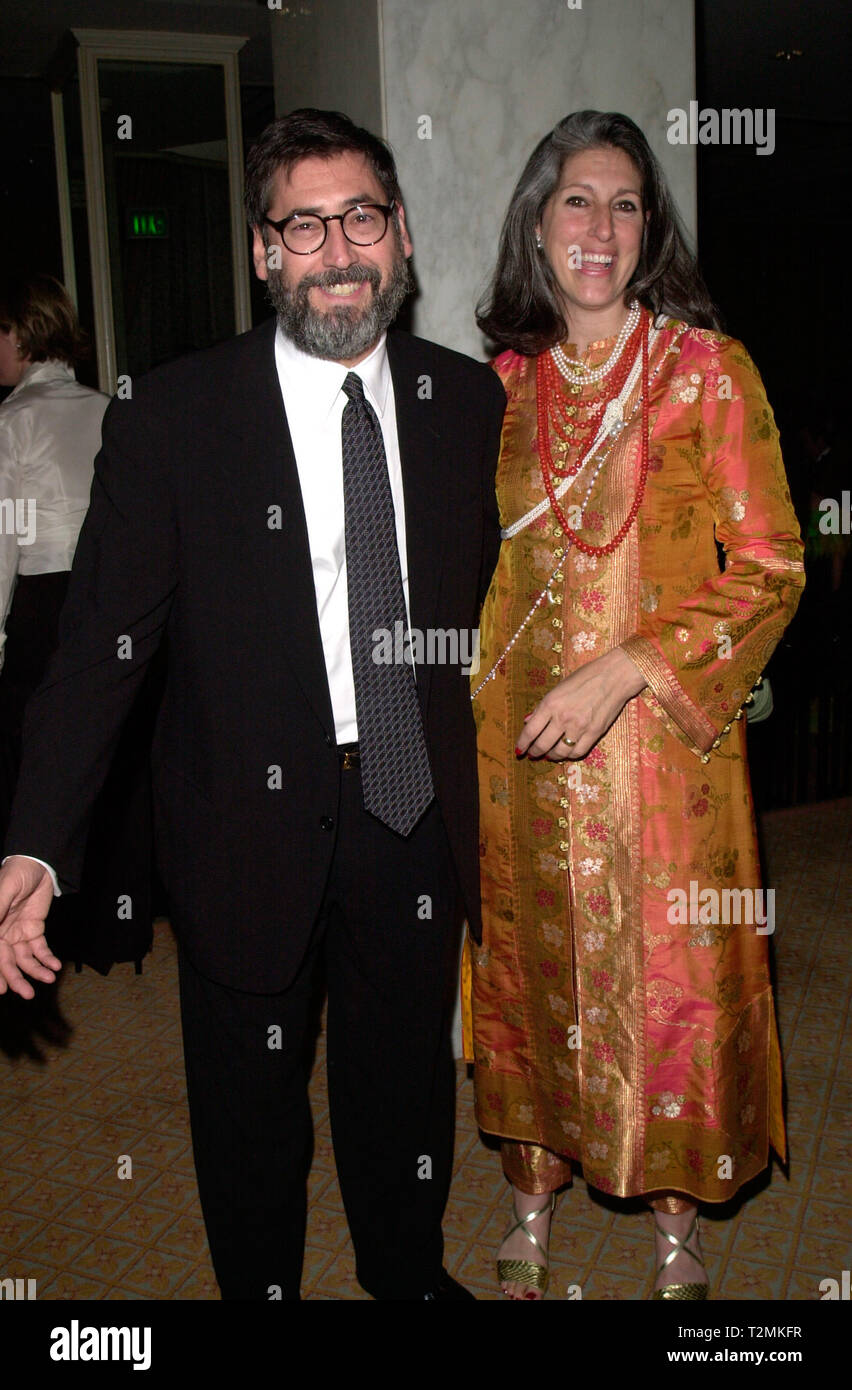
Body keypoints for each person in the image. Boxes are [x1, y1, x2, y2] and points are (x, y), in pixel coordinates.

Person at [0, 109, 506, 1300]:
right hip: (241, 823)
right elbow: (98, 654)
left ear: (405, 239)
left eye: (362, 218)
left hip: (409, 806)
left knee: (404, 1087)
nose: (338, 251)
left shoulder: (469, 407)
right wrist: (36, 837)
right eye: (304, 225)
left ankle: (406, 1271)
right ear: (265, 253)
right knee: (250, 1112)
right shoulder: (174, 419)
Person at [469, 110, 804, 1300]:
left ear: (649, 228)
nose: (599, 226)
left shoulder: (711, 371)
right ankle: (530, 1198)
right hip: (524, 752)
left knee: (672, 976)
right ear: (538, 224)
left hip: (667, 748)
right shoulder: (499, 388)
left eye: (624, 203)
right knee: (531, 972)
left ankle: (676, 1219)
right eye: (576, 201)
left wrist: (629, 668)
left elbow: (771, 560)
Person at [0, 274, 154, 1025]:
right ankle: (120, 927)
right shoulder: (108, 407)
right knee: (114, 767)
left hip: (41, 608)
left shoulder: (11, 421)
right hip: (110, 604)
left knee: (43, 769)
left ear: (21, 334)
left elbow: (2, 543)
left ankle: (43, 925)